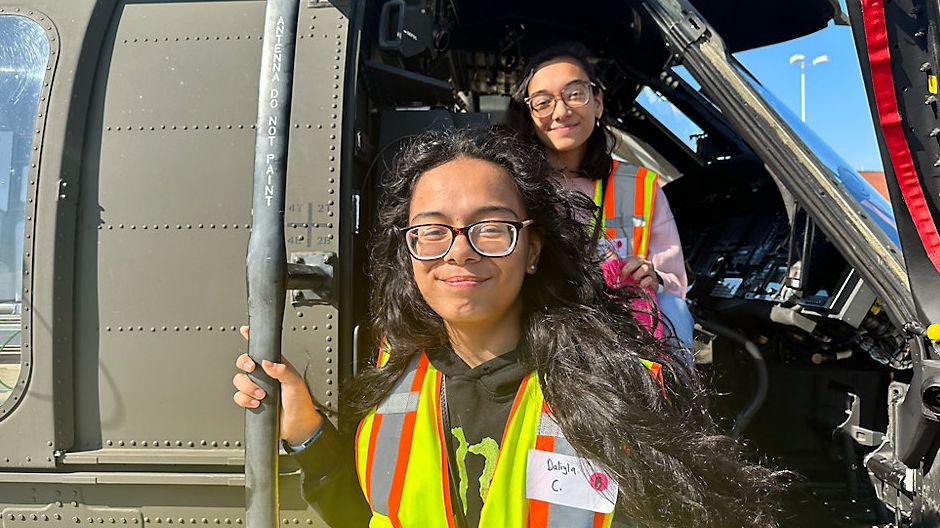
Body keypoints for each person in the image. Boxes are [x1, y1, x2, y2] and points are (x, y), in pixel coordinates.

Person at [233, 128, 779, 527]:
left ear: (533, 249)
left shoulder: (620, 390)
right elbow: (363, 516)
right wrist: (305, 430)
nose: (460, 252)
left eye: (490, 228)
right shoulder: (390, 388)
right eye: (432, 230)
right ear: (410, 251)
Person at [507, 42, 694, 348]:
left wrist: (654, 277)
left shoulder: (641, 185)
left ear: (597, 102)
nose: (561, 112)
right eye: (543, 102)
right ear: (529, 117)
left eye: (574, 94)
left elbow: (674, 285)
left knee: (675, 310)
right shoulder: (515, 187)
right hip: (543, 330)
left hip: (626, 334)